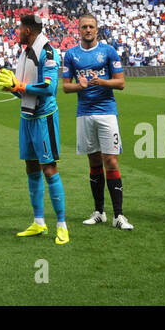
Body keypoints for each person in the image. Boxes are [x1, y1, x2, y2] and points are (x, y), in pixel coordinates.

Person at [0, 13, 68, 244]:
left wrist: (19, 85)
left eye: (19, 29)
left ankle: (62, 225)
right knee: (31, 167)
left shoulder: (48, 52)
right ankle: (39, 222)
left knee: (49, 169)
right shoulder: (25, 52)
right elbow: (24, 89)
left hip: (43, 117)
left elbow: (49, 88)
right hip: (26, 116)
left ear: (28, 30)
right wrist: (13, 88)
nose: (17, 32)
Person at [60, 12, 132, 230]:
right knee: (93, 163)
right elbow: (65, 87)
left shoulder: (108, 51)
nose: (88, 30)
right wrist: (79, 86)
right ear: (78, 29)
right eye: (84, 27)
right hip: (84, 113)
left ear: (97, 29)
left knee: (111, 161)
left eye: (91, 26)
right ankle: (99, 211)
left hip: (106, 112)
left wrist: (100, 82)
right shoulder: (71, 55)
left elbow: (120, 83)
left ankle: (118, 215)